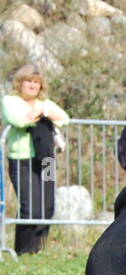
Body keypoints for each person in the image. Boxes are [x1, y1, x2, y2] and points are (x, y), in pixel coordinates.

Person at [2, 64, 67, 254]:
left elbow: (64, 118)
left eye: (36, 82)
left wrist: (43, 112)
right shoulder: (10, 101)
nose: (32, 86)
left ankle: (38, 249)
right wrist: (37, 114)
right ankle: (23, 250)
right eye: (29, 81)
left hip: (46, 160)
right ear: (20, 83)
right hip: (22, 160)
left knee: (47, 207)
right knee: (30, 208)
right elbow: (18, 120)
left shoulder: (44, 103)